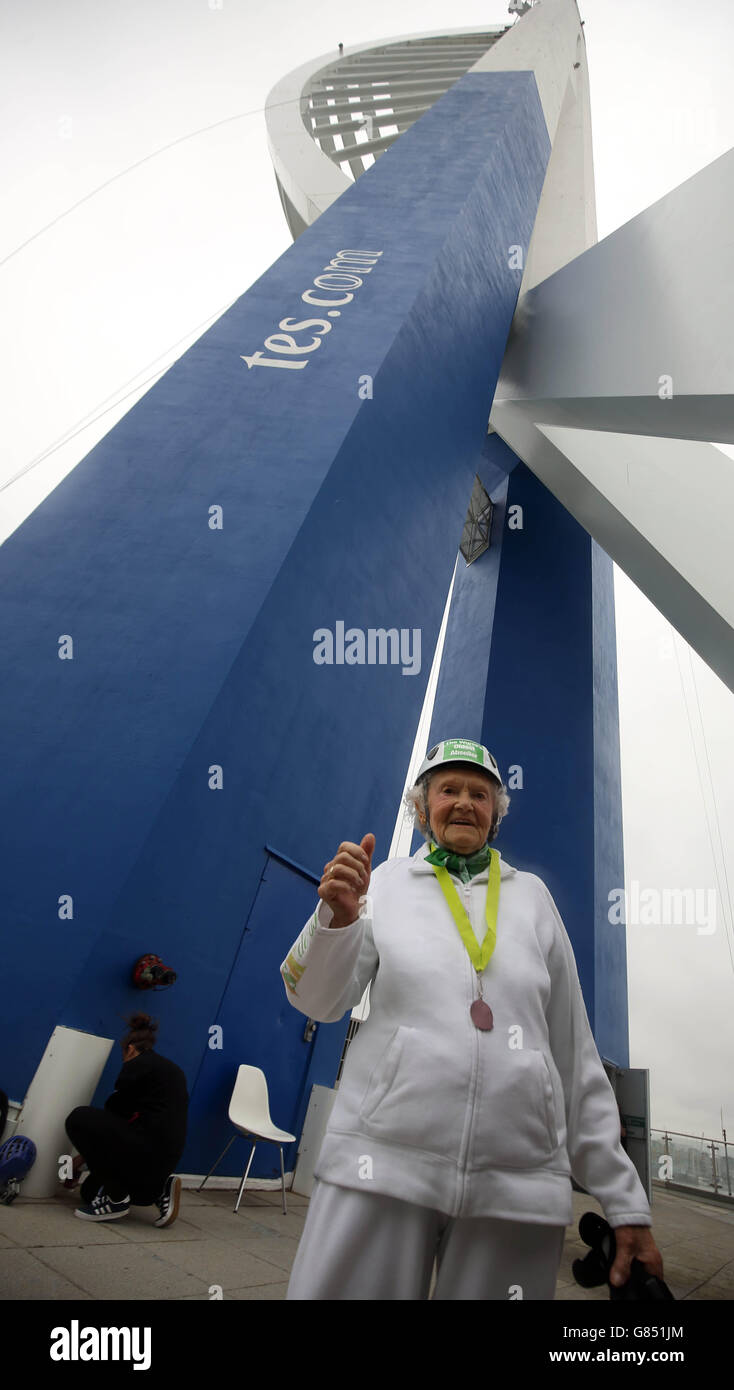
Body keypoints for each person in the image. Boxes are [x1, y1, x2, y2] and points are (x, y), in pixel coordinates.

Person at [279, 737, 665, 1300]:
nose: (464, 803)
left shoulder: (533, 899)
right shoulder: (384, 883)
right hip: (381, 1163)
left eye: (480, 794)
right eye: (449, 790)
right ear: (422, 809)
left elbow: (573, 1054)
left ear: (495, 814)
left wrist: (626, 1202)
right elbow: (316, 1000)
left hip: (518, 1187)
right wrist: (335, 921)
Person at [64, 1012, 189, 1226]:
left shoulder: (136, 1066)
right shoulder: (172, 1071)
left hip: (145, 1149)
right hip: (165, 1155)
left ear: (130, 1049)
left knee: (79, 1118)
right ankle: (159, 1188)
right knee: (90, 1192)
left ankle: (116, 1199)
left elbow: (112, 1119)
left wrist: (74, 1162)